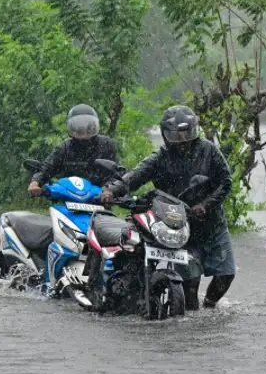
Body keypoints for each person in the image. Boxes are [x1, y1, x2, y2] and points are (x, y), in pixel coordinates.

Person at [100, 105, 236, 310]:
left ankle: (210, 307)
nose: (182, 141)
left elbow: (225, 182)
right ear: (165, 135)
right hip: (179, 225)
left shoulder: (209, 150)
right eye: (176, 135)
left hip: (213, 223)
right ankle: (190, 322)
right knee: (190, 283)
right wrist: (113, 190)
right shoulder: (160, 157)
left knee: (226, 274)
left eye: (186, 134)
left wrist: (205, 204)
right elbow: (135, 176)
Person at [27, 104, 120, 196]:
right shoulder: (65, 148)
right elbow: (46, 168)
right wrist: (35, 182)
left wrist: (109, 190)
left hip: (99, 199)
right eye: (79, 125)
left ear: (94, 125)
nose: (83, 129)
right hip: (69, 200)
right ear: (71, 127)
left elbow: (116, 174)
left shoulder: (106, 145)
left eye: (87, 125)